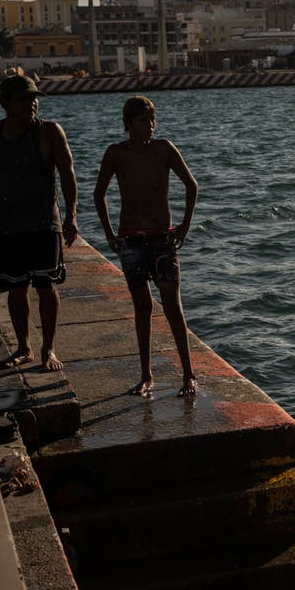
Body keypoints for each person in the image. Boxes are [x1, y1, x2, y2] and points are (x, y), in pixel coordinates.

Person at [0, 75, 78, 371]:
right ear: (5, 103)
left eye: (34, 98)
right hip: (6, 225)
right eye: (23, 98)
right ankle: (23, 347)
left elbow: (68, 175)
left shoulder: (49, 132)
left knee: (46, 285)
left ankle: (49, 349)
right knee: (16, 289)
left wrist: (71, 216)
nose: (31, 103)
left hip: (44, 223)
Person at [93, 96, 199, 397]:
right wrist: (110, 234)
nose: (150, 126)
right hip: (131, 241)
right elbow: (99, 194)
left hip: (161, 239)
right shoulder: (115, 153)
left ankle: (189, 375)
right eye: (143, 120)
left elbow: (191, 185)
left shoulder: (164, 149)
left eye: (152, 119)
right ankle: (145, 376)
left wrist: (184, 226)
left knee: (172, 306)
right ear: (128, 124)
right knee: (142, 307)